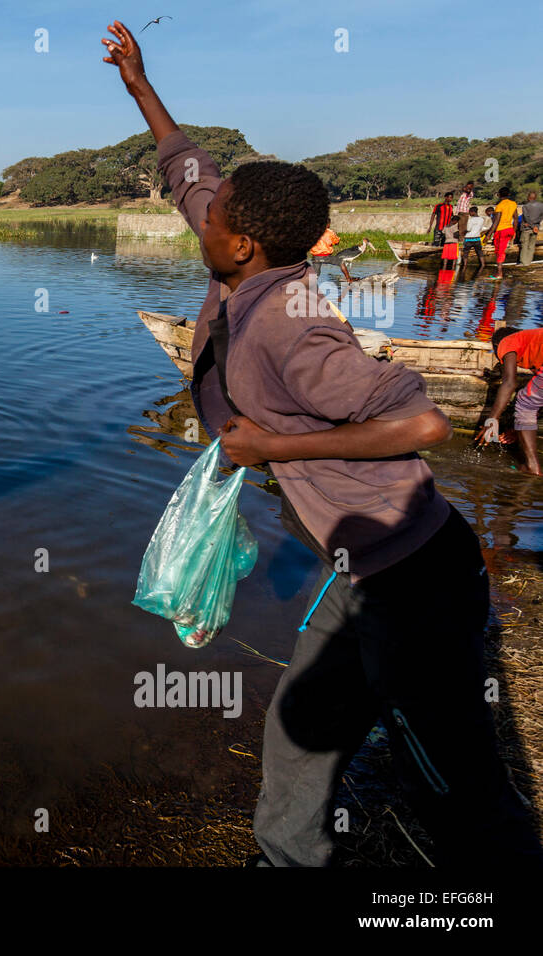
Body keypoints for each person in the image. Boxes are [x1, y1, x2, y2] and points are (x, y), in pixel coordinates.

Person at [102, 19, 542, 867]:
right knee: (300, 734)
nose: (204, 211)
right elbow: (188, 169)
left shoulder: (295, 327)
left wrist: (270, 447)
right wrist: (140, 85)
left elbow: (426, 422)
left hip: (410, 576)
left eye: (215, 215)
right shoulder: (240, 257)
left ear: (241, 243)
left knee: (450, 778)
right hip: (362, 571)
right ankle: (286, 860)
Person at [479, 327, 543, 474]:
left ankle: (531, 467)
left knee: (524, 401)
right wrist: (520, 428)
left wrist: (492, 421)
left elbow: (509, 383)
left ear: (497, 346)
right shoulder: (535, 349)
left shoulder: (507, 341)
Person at [488, 186, 519, 279]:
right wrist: (514, 232)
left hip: (501, 230)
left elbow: (496, 222)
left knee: (499, 252)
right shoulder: (513, 204)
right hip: (509, 229)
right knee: (501, 251)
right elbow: (516, 219)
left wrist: (489, 234)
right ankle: (499, 272)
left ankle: (499, 273)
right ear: (509, 194)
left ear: (499, 195)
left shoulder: (499, 206)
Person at [519, 190, 543, 266]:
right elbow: (541, 217)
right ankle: (528, 262)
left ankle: (523, 262)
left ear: (529, 198)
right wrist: (536, 226)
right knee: (532, 246)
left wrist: (532, 226)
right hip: (536, 228)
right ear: (535, 198)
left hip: (527, 228)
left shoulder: (525, 206)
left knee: (525, 245)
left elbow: (526, 217)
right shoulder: (541, 206)